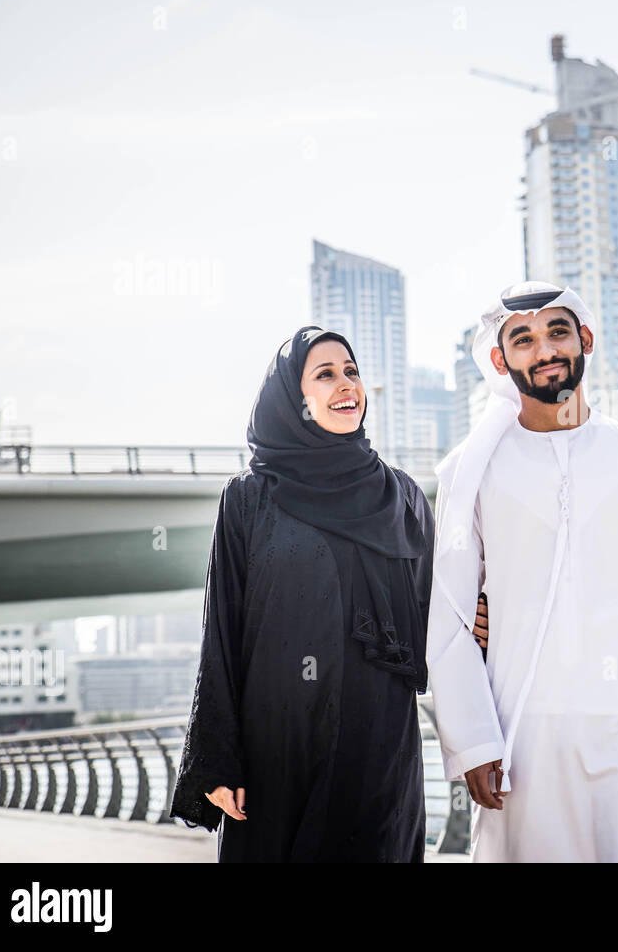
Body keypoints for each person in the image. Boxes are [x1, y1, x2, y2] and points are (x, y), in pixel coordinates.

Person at [427, 281, 618, 863]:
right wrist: (471, 741)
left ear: (584, 338)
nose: (545, 351)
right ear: (500, 359)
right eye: (524, 339)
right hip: (521, 735)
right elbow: (452, 616)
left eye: (558, 332)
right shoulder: (470, 471)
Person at [168, 325, 476, 862]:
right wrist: (217, 760)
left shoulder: (401, 496)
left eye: (352, 372)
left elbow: (436, 618)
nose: (345, 385)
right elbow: (221, 631)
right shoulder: (250, 497)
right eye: (326, 375)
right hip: (279, 743)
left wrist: (481, 615)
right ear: (294, 397)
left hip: (380, 744)